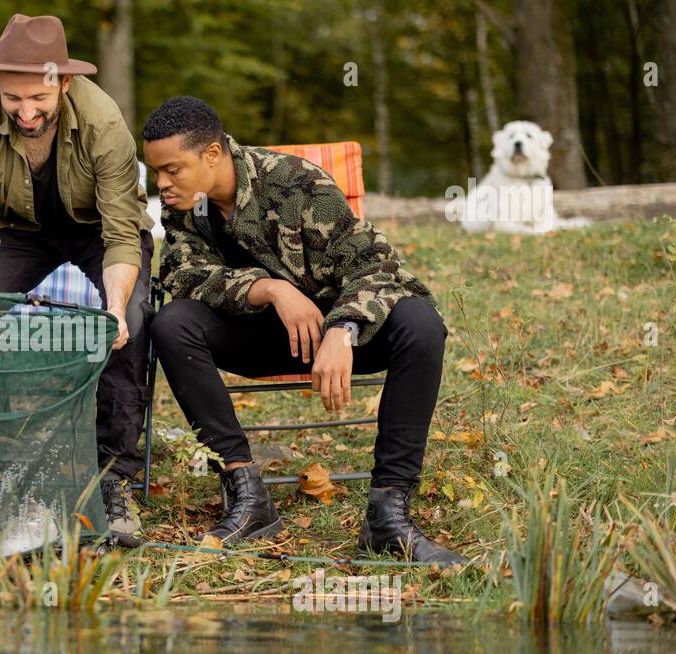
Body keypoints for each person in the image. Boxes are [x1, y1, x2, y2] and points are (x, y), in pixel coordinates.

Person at [140, 96, 463, 565]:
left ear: (212, 154)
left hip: (340, 343)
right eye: (157, 173)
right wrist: (270, 289)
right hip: (257, 339)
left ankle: (388, 517)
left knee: (420, 323)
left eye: (172, 169)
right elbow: (184, 275)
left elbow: (376, 266)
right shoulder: (186, 205)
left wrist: (343, 328)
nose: (162, 185)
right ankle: (248, 497)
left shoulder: (296, 183)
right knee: (171, 323)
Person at [0, 13, 153, 546]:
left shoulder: (104, 123)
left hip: (100, 230)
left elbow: (124, 235)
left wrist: (115, 303)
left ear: (66, 81)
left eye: (39, 97)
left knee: (126, 323)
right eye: (13, 99)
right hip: (18, 232)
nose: (26, 112)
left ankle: (114, 478)